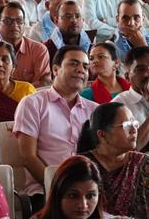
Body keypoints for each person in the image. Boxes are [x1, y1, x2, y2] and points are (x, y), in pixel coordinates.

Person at [14, 45, 98, 207]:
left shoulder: (94, 110)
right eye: (74, 64)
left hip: (89, 194)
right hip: (47, 191)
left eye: (86, 67)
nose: (81, 70)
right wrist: (60, 187)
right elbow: (28, 157)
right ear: (55, 69)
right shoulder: (33, 104)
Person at [77, 103, 149, 219]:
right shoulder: (80, 167)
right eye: (126, 125)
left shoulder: (145, 164)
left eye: (134, 124)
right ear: (102, 135)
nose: (134, 130)